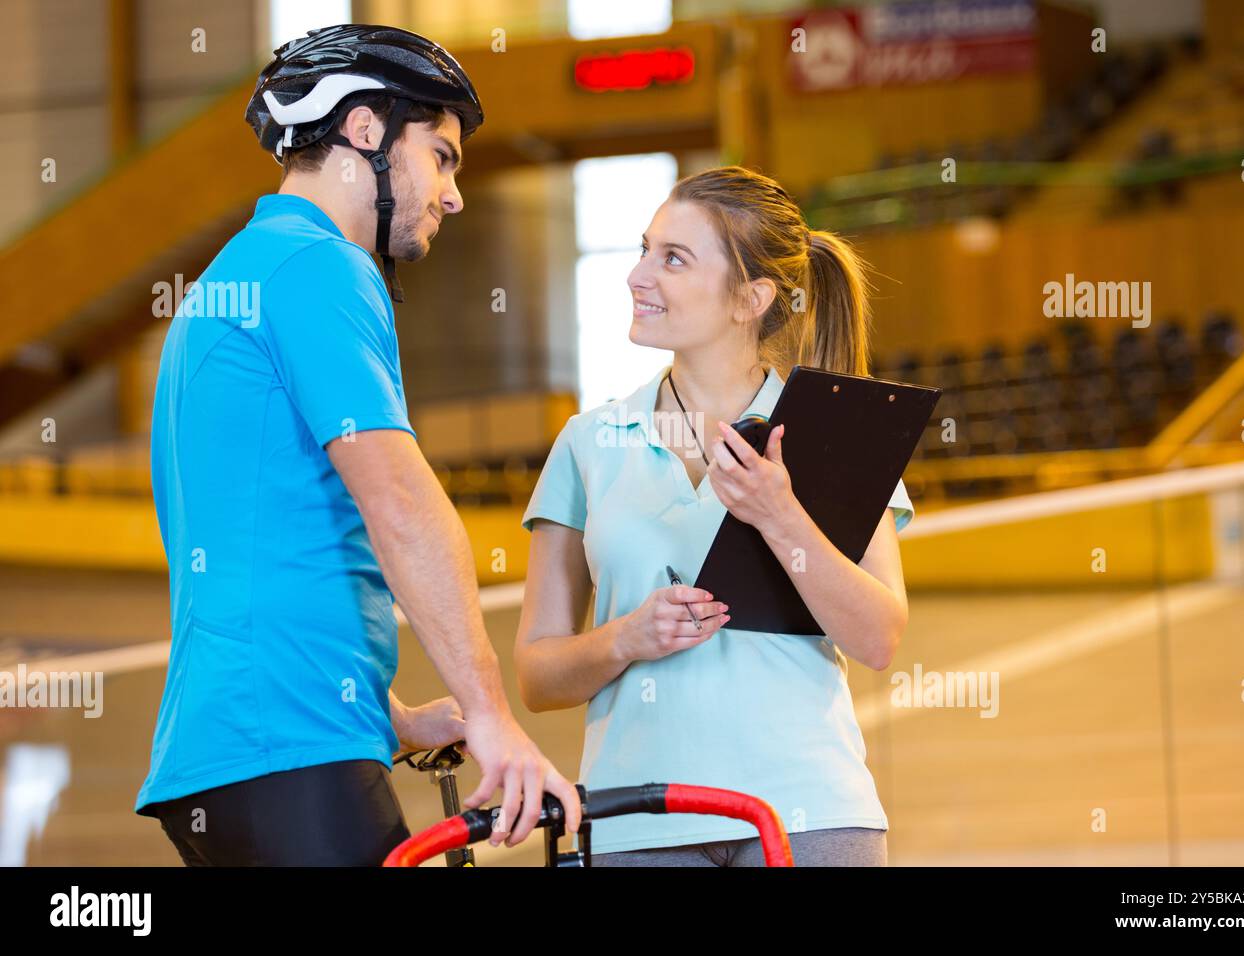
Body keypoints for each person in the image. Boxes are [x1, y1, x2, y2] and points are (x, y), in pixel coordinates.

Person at [136, 24, 579, 866]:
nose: (453, 195)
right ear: (366, 131)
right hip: (287, 746)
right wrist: (490, 714)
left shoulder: (235, 277)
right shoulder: (318, 267)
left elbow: (265, 539)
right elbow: (401, 504)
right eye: (442, 156)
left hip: (240, 747)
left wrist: (393, 717)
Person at [515, 166, 912, 866]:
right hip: (638, 820)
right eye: (643, 249)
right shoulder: (588, 442)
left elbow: (878, 638)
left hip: (809, 815)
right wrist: (626, 638)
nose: (638, 275)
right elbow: (538, 676)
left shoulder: (836, 432)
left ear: (751, 298)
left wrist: (779, 515)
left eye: (672, 258)